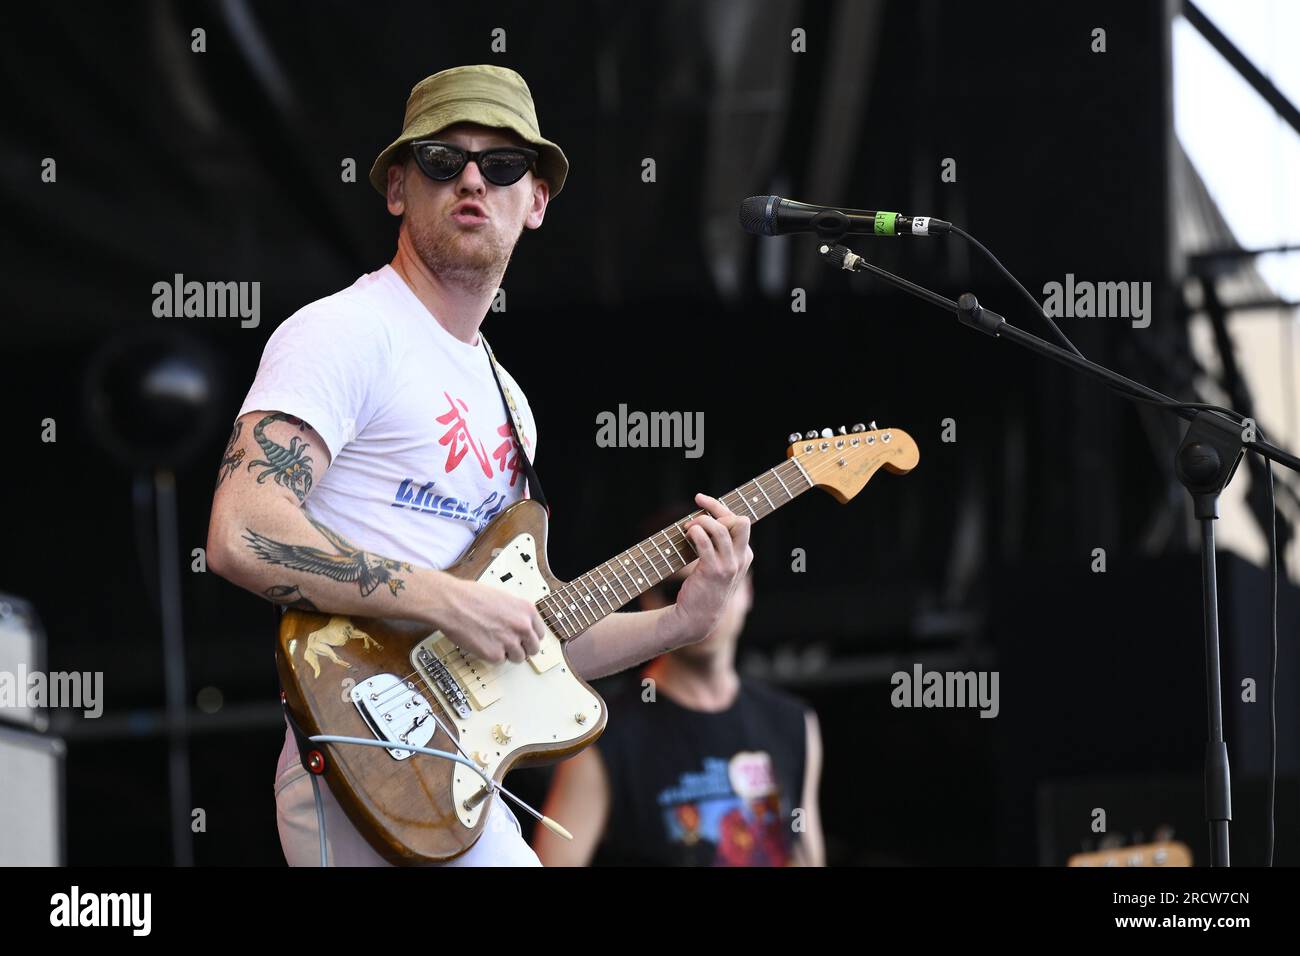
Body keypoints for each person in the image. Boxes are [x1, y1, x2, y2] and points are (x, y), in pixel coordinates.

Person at [205, 65, 753, 866]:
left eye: (501, 167)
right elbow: (241, 533)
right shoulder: (344, 333)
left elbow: (531, 639)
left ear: (534, 203)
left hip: (457, 780)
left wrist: (682, 622)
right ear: (396, 187)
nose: (471, 179)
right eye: (440, 159)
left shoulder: (510, 401)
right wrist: (450, 602)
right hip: (367, 748)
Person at [534, 540, 825, 867]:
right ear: (647, 600)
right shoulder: (599, 733)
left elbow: (804, 852)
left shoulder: (793, 720)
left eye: (721, 581)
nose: (704, 599)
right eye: (678, 589)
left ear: (748, 589)